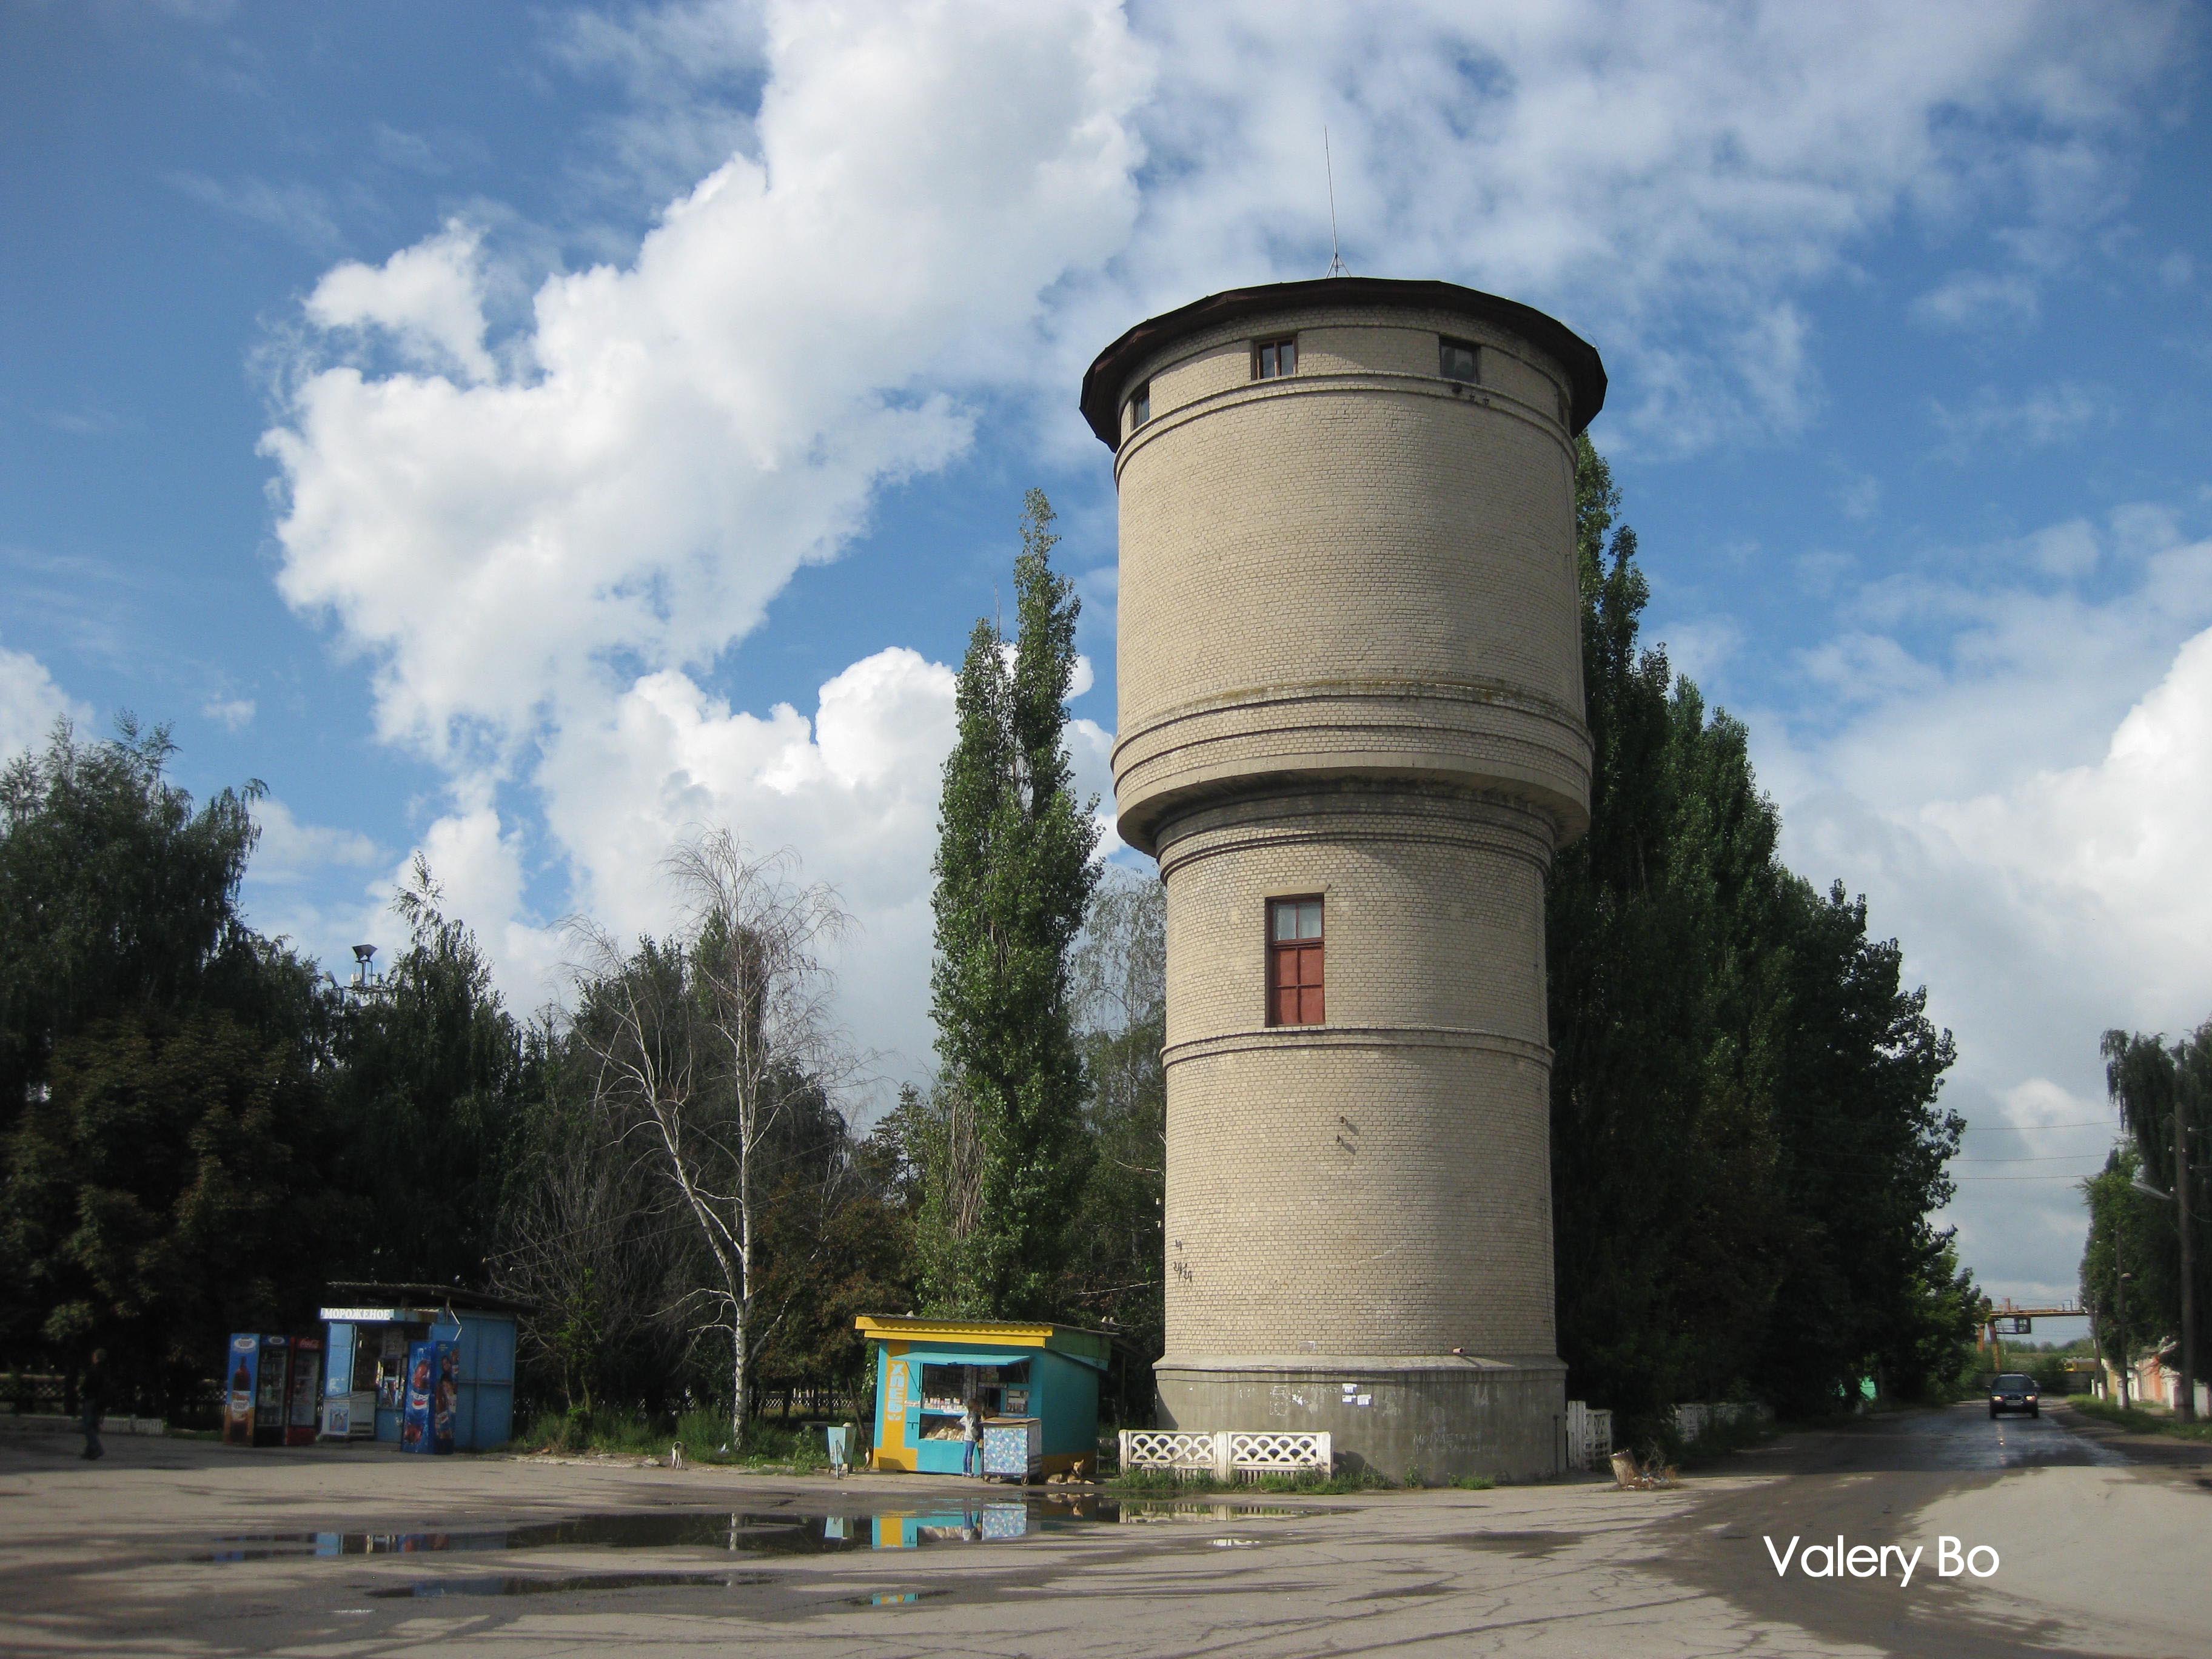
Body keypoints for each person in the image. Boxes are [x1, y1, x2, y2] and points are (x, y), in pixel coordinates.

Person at [79, 1349, 108, 1462]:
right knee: (93, 1425)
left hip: (91, 1400)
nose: (92, 1357)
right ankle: (90, 1450)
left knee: (88, 1425)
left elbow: (88, 1385)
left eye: (94, 1356)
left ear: (97, 1358)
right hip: (100, 1401)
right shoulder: (105, 1370)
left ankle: (97, 1448)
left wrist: (81, 1389)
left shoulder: (94, 1370)